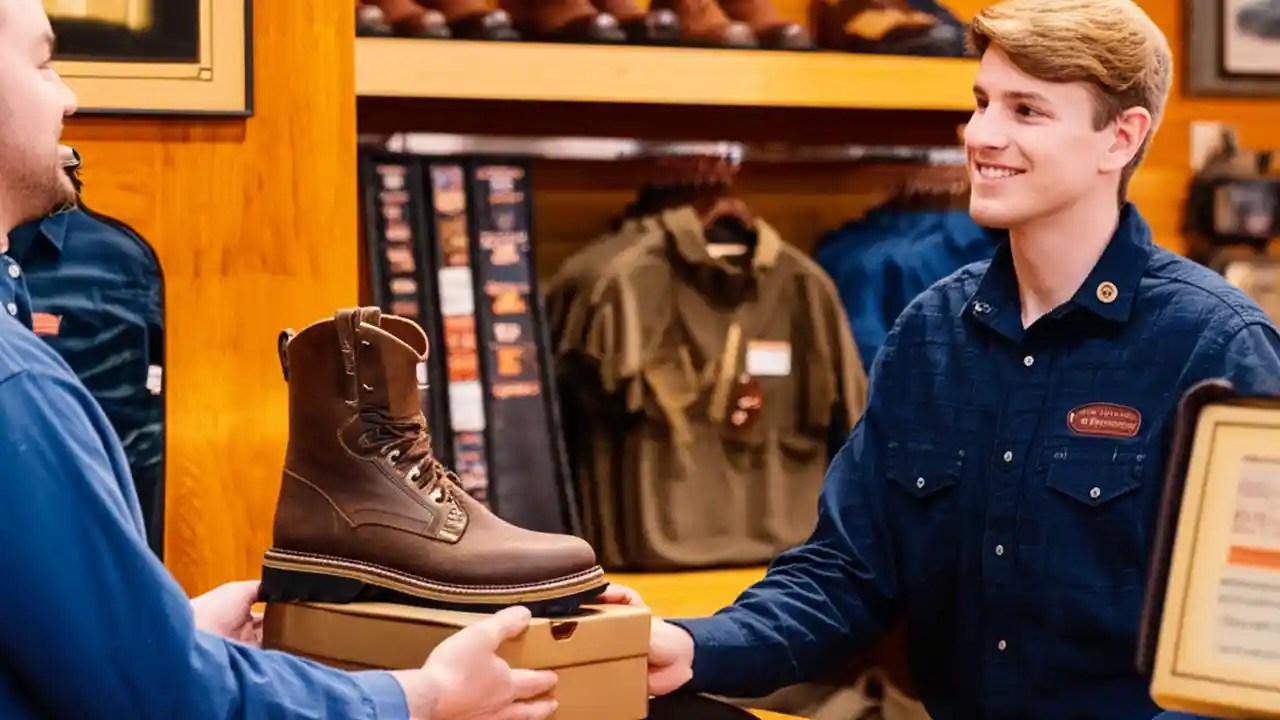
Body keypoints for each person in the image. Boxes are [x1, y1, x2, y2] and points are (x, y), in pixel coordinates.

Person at [602, 1, 1280, 718]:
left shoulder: (1216, 346)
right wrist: (693, 644)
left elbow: (1251, 649)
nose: (981, 135)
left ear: (1121, 138)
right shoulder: (930, 333)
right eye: (982, 102)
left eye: (1027, 111)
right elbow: (846, 573)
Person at [0, 1, 558, 718]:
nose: (71, 96)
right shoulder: (17, 386)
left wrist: (160, 636)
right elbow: (165, 702)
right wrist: (420, 697)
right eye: (44, 64)